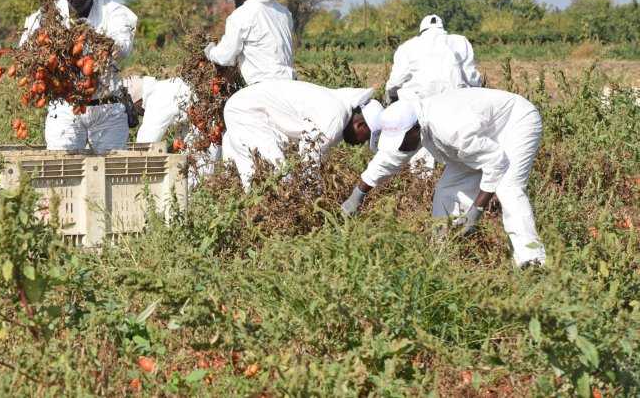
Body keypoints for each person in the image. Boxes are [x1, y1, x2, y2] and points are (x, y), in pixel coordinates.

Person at [340, 89, 545, 267]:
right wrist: (357, 194)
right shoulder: (411, 121)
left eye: (402, 142)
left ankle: (532, 261)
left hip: (515, 122)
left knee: (509, 188)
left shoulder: (451, 129)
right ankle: (440, 256)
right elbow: (389, 158)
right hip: (477, 135)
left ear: (415, 129)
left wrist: (476, 211)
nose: (402, 148)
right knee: (446, 191)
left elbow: (495, 161)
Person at [21, 0, 137, 151]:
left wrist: (95, 42)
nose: (75, 2)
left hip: (106, 107)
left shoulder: (112, 12)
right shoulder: (47, 17)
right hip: (65, 108)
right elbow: (26, 50)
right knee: (63, 169)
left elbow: (123, 47)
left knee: (112, 170)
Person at [371, 14, 483, 176]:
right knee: (456, 151)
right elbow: (472, 77)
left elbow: (395, 81)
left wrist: (391, 98)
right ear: (442, 28)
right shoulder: (460, 42)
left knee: (421, 153)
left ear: (421, 30)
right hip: (453, 105)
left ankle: (422, 189)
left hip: (418, 108)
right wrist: (478, 95)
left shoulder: (408, 46)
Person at [221, 80, 384, 188]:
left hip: (253, 111)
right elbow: (308, 163)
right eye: (366, 138)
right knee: (277, 176)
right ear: (360, 124)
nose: (361, 144)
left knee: (254, 182)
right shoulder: (334, 117)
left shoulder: (338, 108)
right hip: (248, 111)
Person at [204, 0, 295, 86]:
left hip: (264, 85)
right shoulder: (284, 12)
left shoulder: (241, 14)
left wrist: (211, 52)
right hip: (291, 82)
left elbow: (225, 56)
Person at [123, 75, 194, 145]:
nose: (137, 114)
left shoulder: (156, 100)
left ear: (136, 100)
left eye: (133, 109)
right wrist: (180, 138)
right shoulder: (160, 88)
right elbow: (188, 125)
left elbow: (145, 143)